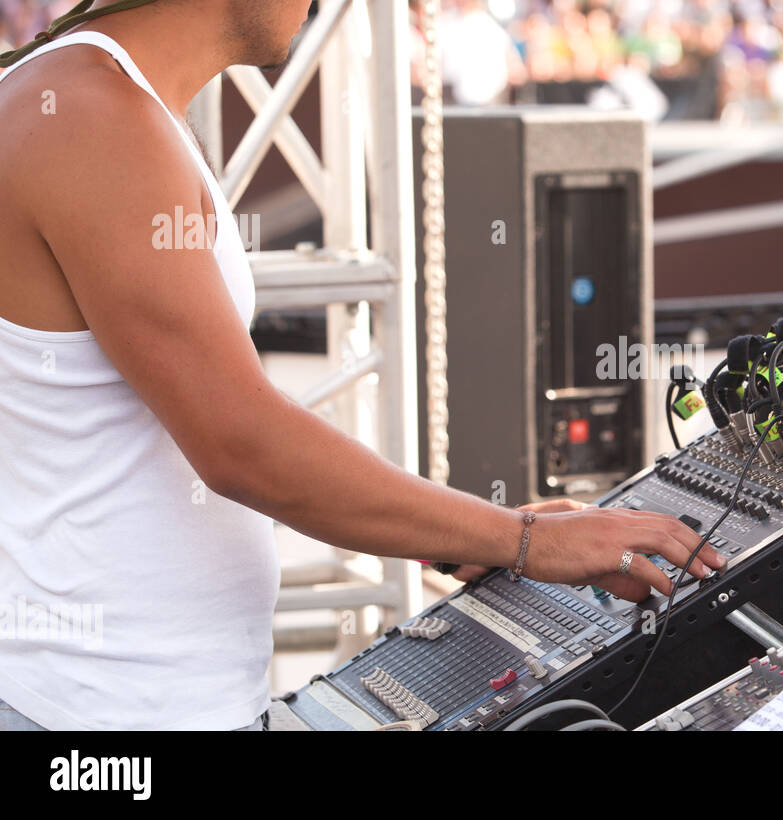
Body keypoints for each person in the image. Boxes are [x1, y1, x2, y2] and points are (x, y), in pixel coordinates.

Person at [0, 0, 722, 731]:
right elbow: (240, 443)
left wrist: (474, 529)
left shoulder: (103, 101)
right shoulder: (92, 118)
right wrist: (520, 541)